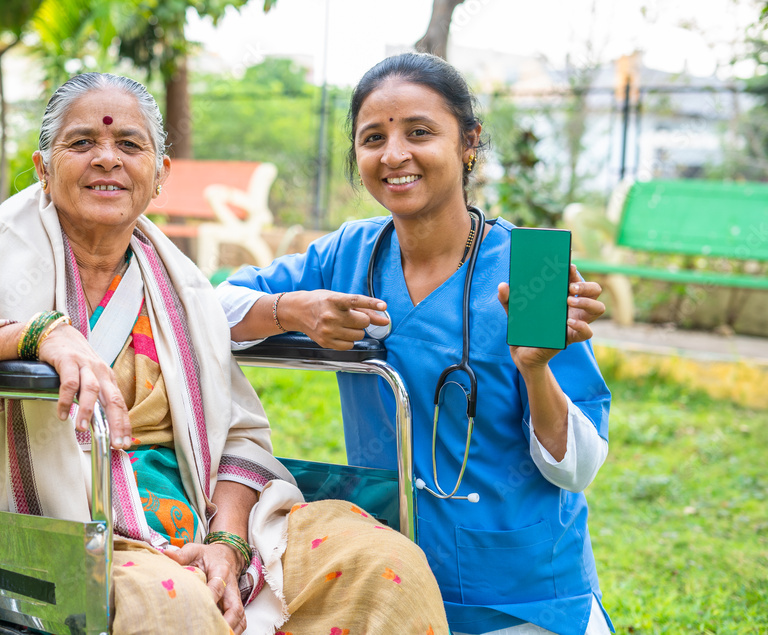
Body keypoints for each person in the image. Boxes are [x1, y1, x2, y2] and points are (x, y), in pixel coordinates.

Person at [0, 72, 448, 635]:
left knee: (382, 563)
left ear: (159, 174)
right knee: (174, 601)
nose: (107, 158)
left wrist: (228, 542)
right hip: (57, 525)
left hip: (202, 518)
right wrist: (32, 337)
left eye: (128, 145)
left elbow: (238, 439)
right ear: (43, 167)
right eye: (81, 142)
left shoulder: (184, 291)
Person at [218, 53, 613, 635]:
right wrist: (289, 309)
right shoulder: (345, 257)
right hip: (391, 578)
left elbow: (577, 469)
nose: (394, 155)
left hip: (522, 596)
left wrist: (535, 370)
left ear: (468, 142)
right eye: (373, 138)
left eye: (420, 132)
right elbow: (204, 307)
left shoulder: (528, 271)